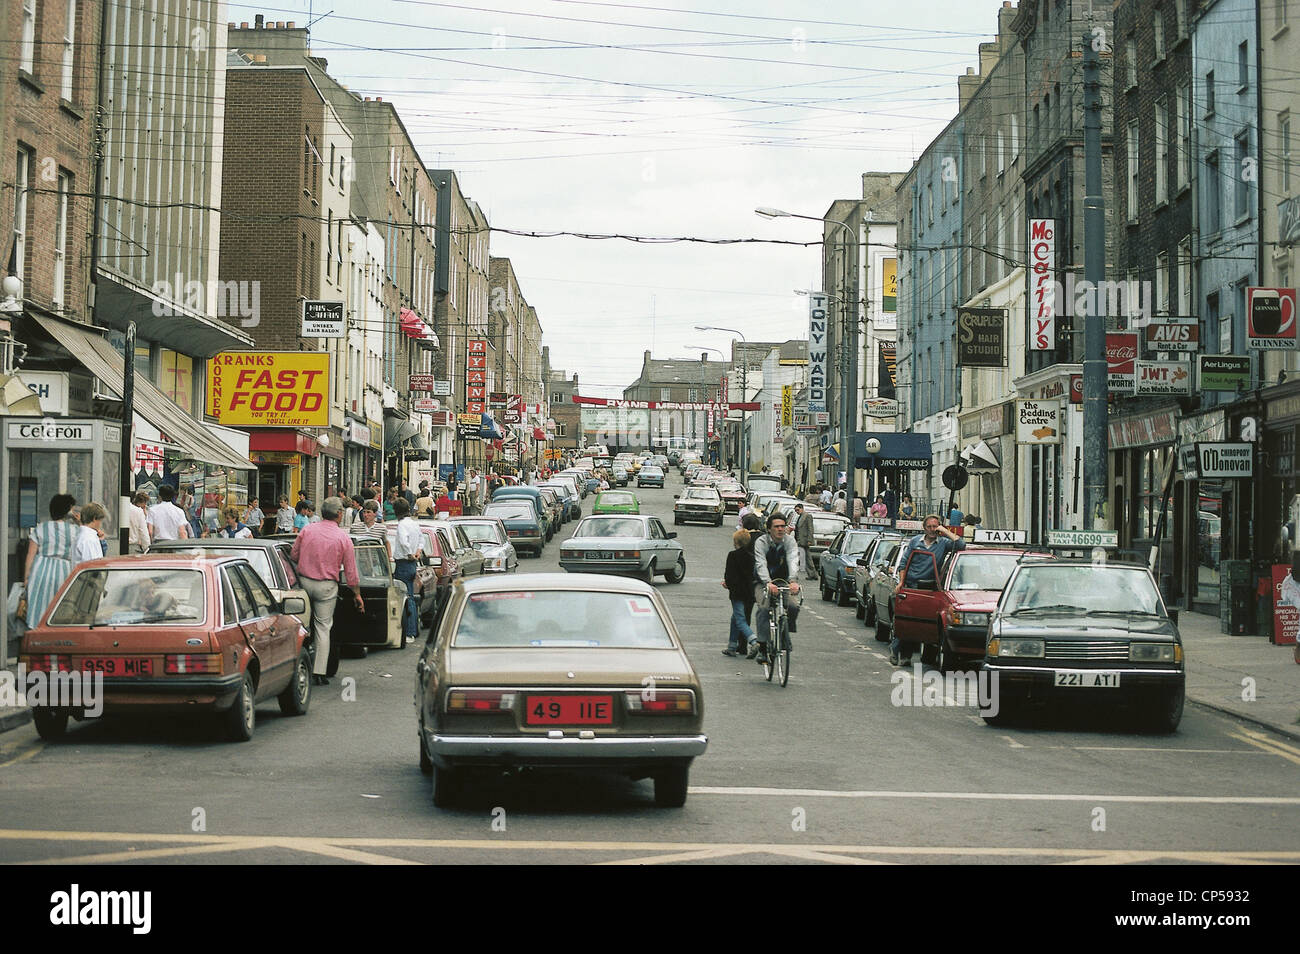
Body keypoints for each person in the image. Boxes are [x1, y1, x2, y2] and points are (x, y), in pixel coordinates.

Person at [291, 497, 364, 686]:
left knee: (301, 626)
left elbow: (294, 555)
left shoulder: (307, 530)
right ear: (339, 514)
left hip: (305, 583)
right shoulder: (343, 537)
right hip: (327, 587)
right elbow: (351, 572)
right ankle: (319, 671)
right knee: (323, 628)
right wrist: (356, 594)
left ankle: (296, 667)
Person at [892, 514, 965, 666]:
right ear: (924, 528)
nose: (932, 530)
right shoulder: (915, 541)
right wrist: (901, 583)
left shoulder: (943, 543)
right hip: (911, 586)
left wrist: (944, 530)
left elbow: (961, 545)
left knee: (924, 623)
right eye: (929, 527)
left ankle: (919, 654)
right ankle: (900, 654)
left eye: (935, 526)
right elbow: (903, 563)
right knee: (906, 622)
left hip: (929, 588)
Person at [21, 494, 80, 627]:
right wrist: (79, 522)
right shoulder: (74, 530)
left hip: (40, 570)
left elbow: (30, 555)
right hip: (64, 570)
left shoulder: (41, 528)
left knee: (40, 605)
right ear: (67, 511)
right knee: (59, 606)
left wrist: (26, 578)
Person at [751, 512, 802, 662]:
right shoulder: (761, 542)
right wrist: (767, 582)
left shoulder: (790, 541)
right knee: (764, 608)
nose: (780, 529)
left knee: (793, 606)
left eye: (783, 526)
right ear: (769, 529)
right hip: (763, 581)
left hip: (783, 581)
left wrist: (793, 580)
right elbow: (760, 563)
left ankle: (785, 632)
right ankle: (762, 646)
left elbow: (793, 559)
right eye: (776, 527)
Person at [390, 497, 425, 644]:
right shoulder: (414, 524)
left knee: (405, 597)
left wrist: (410, 553)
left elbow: (403, 541)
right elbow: (422, 539)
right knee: (411, 595)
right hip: (412, 564)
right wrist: (418, 551)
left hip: (404, 562)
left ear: (396, 511)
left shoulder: (401, 525)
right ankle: (414, 630)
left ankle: (409, 632)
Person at [721, 528, 756, 657]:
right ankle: (732, 646)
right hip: (749, 592)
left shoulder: (732, 555)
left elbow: (729, 575)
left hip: (737, 592)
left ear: (736, 541)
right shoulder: (751, 557)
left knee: (740, 619)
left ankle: (753, 641)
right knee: (735, 618)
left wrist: (727, 584)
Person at [793, 502, 817, 580]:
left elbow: (810, 529)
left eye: (797, 510)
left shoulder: (807, 516)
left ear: (802, 508)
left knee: (807, 558)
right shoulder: (800, 517)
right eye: (795, 511)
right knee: (806, 558)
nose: (797, 512)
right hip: (800, 540)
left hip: (805, 540)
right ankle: (812, 574)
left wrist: (809, 540)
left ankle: (812, 574)